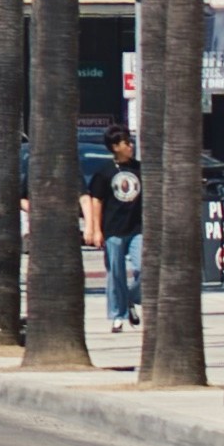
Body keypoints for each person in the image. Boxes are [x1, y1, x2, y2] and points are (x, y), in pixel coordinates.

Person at [97, 129, 149, 327]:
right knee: (115, 273)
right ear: (115, 147)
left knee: (145, 267)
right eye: (126, 143)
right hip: (113, 229)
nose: (130, 146)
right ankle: (117, 315)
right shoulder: (106, 172)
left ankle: (129, 297)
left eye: (130, 142)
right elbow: (96, 201)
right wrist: (95, 229)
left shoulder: (140, 169)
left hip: (137, 228)